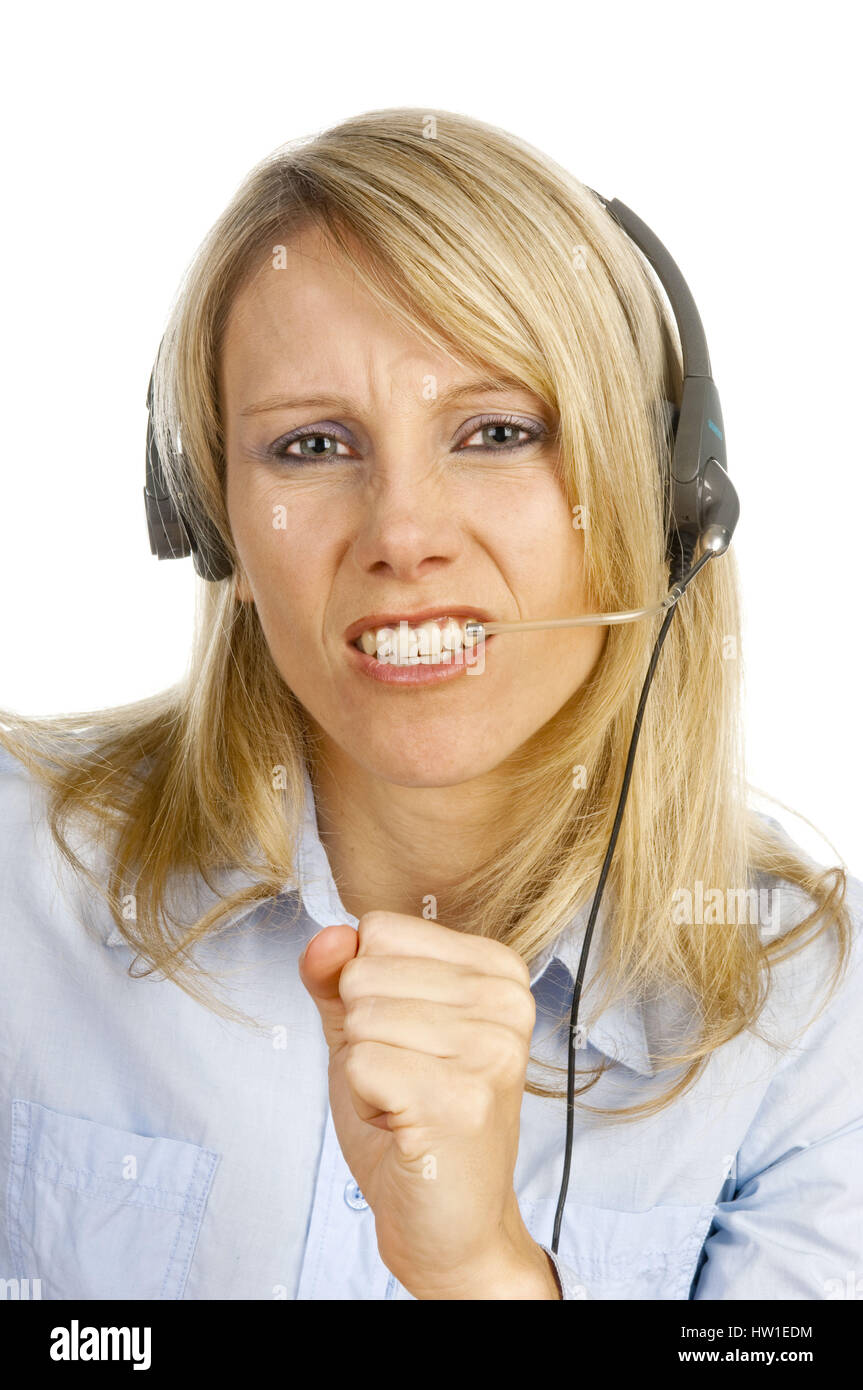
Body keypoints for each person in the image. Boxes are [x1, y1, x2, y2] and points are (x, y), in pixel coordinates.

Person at [1, 107, 860, 1302]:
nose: (403, 535)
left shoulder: (817, 1020)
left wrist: (479, 1271)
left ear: (657, 500)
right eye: (308, 445)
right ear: (211, 525)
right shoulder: (16, 882)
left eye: (496, 431)